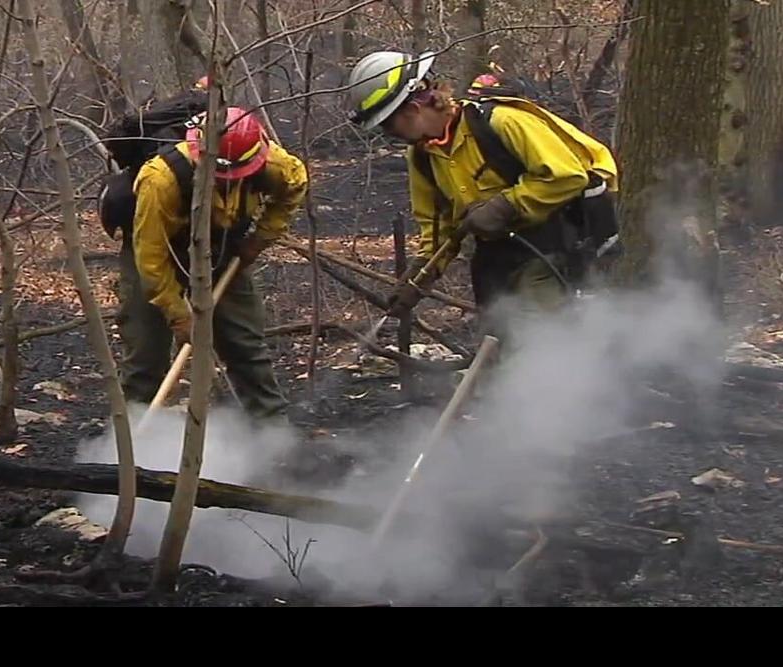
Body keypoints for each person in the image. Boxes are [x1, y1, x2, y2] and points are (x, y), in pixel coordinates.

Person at [344, 50, 621, 334]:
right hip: (496, 253)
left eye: (389, 124)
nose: (389, 134)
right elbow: (438, 229)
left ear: (413, 109)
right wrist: (419, 278)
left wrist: (505, 206)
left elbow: (568, 176)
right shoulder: (422, 156)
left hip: (553, 241)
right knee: (497, 337)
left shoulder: (501, 122)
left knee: (538, 340)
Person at [115, 106, 308, 422]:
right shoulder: (160, 179)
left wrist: (259, 239)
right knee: (145, 352)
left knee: (245, 345)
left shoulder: (273, 163)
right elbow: (150, 259)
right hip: (160, 252)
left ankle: (272, 432)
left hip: (222, 248)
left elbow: (295, 185)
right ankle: (133, 442)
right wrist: (178, 315)